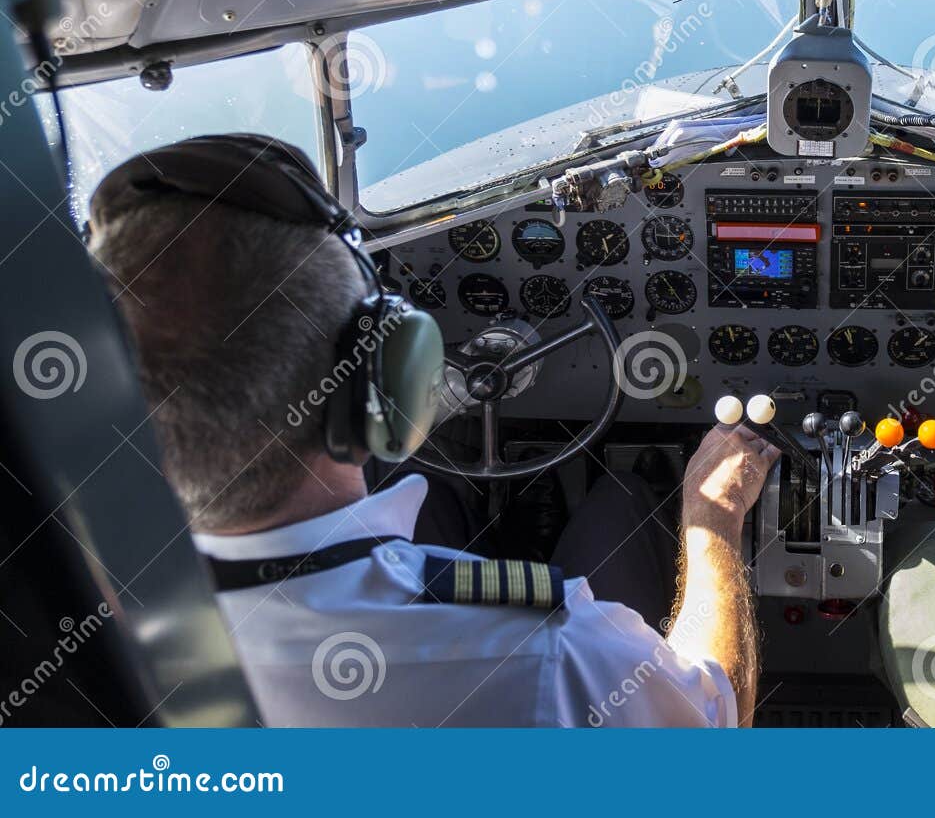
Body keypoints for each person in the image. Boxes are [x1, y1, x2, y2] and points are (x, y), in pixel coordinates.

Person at [87, 135, 780, 727]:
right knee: (622, 498)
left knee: (436, 489)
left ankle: (524, 525)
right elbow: (716, 716)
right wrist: (712, 519)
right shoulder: (549, 649)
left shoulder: (79, 649)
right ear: (381, 376)